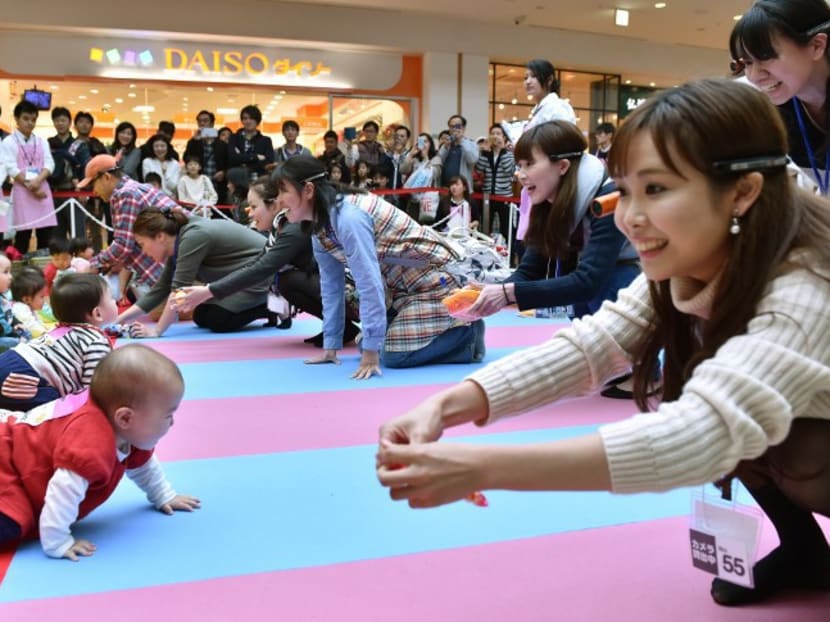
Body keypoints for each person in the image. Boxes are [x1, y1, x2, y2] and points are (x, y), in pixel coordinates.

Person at [376, 78, 830, 607]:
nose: (629, 216)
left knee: (745, 423)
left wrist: (481, 468)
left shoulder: (805, 286)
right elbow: (597, 342)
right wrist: (446, 406)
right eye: (625, 190)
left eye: (656, 189)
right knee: (723, 402)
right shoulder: (697, 258)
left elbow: (701, 434)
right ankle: (806, 551)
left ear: (744, 191)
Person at [275, 156, 485, 378]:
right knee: (366, 341)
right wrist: (331, 346)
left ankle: (467, 337)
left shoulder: (349, 218)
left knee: (391, 355)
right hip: (404, 291)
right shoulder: (319, 226)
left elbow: (369, 283)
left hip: (436, 284)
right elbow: (330, 286)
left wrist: (371, 356)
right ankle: (439, 328)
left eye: (282, 191)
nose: (278, 200)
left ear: (308, 190)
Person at [0, 344, 200, 560]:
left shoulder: (127, 431)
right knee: (10, 522)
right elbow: (64, 490)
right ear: (125, 418)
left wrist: (163, 495)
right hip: (6, 463)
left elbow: (143, 465)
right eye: (168, 415)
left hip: (18, 457)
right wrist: (57, 541)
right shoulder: (89, 440)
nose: (173, 423)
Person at [461, 121, 637, 323]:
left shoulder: (608, 200)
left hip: (623, 286)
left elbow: (588, 281)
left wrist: (508, 293)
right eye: (519, 166)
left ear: (562, 166)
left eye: (529, 164)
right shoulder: (549, 199)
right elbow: (530, 270)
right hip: (589, 289)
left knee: (606, 287)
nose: (520, 175)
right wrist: (493, 293)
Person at [174, 178, 360, 345]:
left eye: (254, 207)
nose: (250, 213)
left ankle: (349, 326)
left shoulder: (292, 228)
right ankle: (340, 327)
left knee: (289, 281)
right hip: (342, 286)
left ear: (274, 206)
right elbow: (260, 264)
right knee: (286, 282)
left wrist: (208, 291)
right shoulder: (279, 229)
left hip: (358, 293)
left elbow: (261, 267)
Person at [118, 207, 272, 336]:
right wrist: (119, 320)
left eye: (142, 244)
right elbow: (160, 289)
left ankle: (272, 306)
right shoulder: (179, 241)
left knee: (219, 320)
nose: (143, 251)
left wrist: (156, 331)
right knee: (201, 316)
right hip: (241, 280)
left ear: (160, 236)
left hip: (262, 277)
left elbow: (179, 291)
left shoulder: (192, 237)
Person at [730, 0, 830, 194]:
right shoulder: (769, 99)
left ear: (817, 45)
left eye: (767, 56)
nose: (755, 75)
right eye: (748, 62)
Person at [0, 273, 118, 410]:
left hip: (10, 360)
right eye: (112, 299)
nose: (115, 302)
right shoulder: (96, 342)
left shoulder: (62, 330)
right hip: (22, 376)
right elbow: (92, 390)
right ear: (97, 313)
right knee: (62, 406)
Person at [78, 154, 180, 295]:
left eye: (92, 184)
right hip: (178, 259)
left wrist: (94, 265)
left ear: (107, 177)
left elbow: (123, 244)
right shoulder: (134, 188)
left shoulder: (125, 194)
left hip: (177, 262)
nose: (94, 191)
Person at [512, 59, 577, 259]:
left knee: (547, 241)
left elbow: (562, 147)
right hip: (536, 181)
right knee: (536, 240)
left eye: (533, 76)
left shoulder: (557, 108)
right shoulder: (540, 109)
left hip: (550, 181)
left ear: (549, 80)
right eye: (525, 77)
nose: (528, 81)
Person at [0, 99, 57, 254]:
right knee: (22, 237)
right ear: (17, 119)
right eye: (26, 118)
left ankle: (44, 273)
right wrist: (31, 186)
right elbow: (10, 167)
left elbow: (49, 163)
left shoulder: (41, 141)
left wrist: (37, 181)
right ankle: (19, 274)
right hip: (23, 192)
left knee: (45, 236)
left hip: (42, 190)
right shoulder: (8, 142)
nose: (30, 123)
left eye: (33, 120)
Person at [10, 266, 49, 340]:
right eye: (41, 296)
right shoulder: (20, 308)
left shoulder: (30, 307)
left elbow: (37, 322)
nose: (44, 300)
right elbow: (31, 325)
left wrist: (45, 329)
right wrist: (45, 333)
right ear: (27, 299)